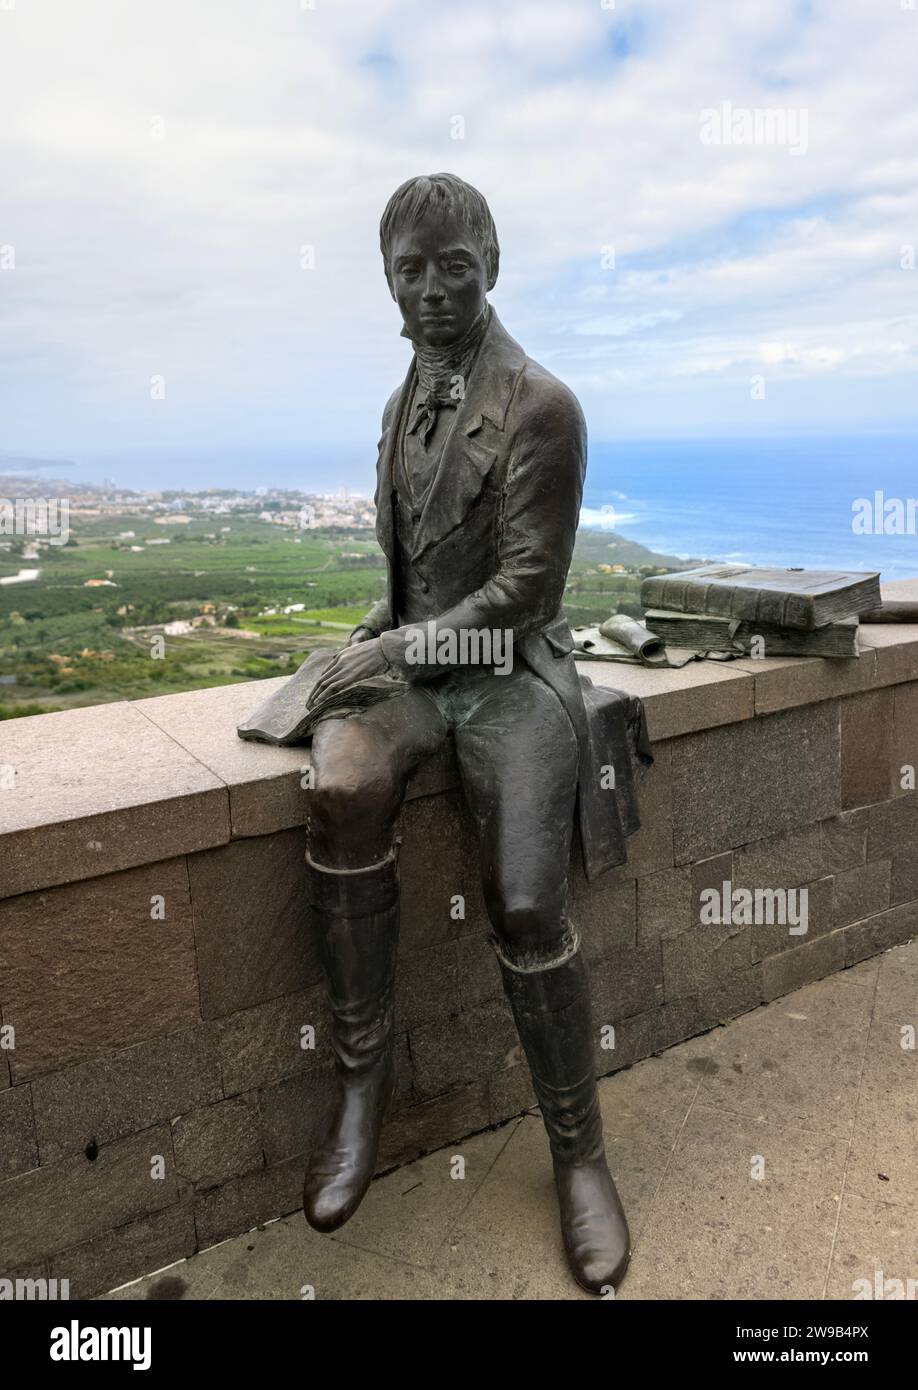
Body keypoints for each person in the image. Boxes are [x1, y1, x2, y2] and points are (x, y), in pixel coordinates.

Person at [301, 173, 645, 1294]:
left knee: (530, 900)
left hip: (503, 674)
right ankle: (360, 1098)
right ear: (388, 284)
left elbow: (526, 593)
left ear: (491, 264)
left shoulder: (544, 404)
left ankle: (578, 1152)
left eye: (457, 262)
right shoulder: (401, 397)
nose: (435, 287)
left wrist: (400, 650)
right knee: (341, 792)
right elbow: (413, 567)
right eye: (413, 267)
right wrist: (378, 635)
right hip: (413, 670)